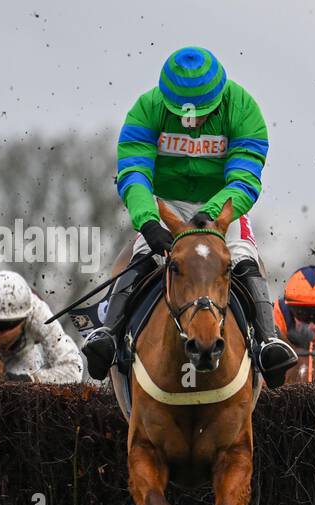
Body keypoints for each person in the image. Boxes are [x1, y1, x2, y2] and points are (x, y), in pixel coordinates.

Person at [81, 46, 295, 380]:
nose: (192, 121)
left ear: (219, 97)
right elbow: (134, 174)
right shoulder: (146, 110)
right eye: (183, 115)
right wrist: (148, 221)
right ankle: (108, 334)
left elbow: (244, 179)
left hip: (223, 201)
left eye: (201, 114)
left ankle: (269, 341)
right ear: (165, 99)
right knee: (141, 255)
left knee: (242, 255)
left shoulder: (243, 109)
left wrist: (210, 217)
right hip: (169, 203)